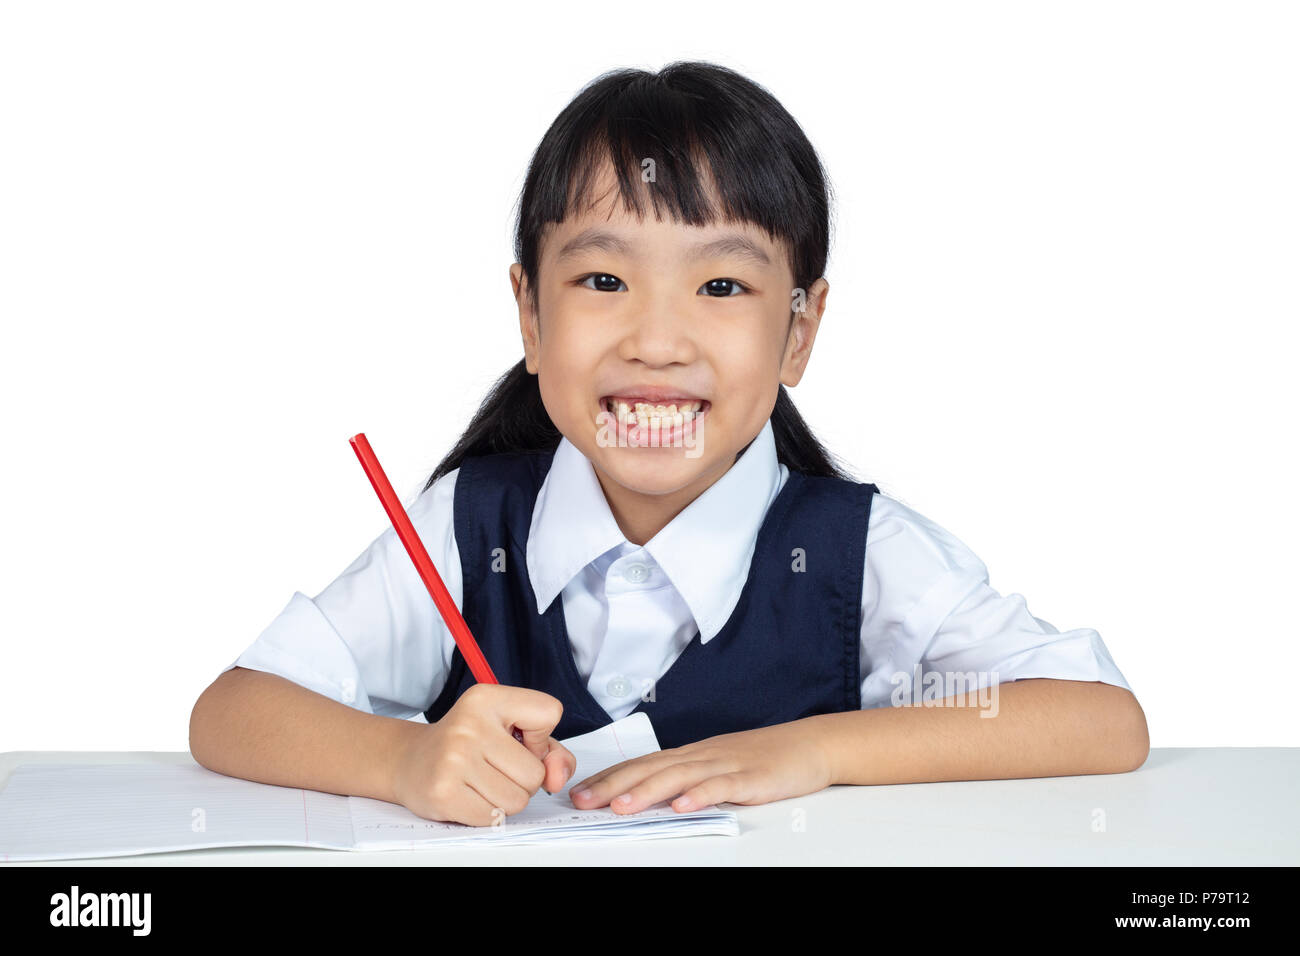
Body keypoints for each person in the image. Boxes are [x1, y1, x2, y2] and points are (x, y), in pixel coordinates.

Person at [190, 61, 1149, 828]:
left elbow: (1098, 717)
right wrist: (403, 760)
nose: (656, 340)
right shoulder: (467, 525)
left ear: (799, 333)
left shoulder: (858, 556)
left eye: (722, 287)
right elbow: (233, 712)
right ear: (529, 316)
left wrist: (816, 750)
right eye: (602, 280)